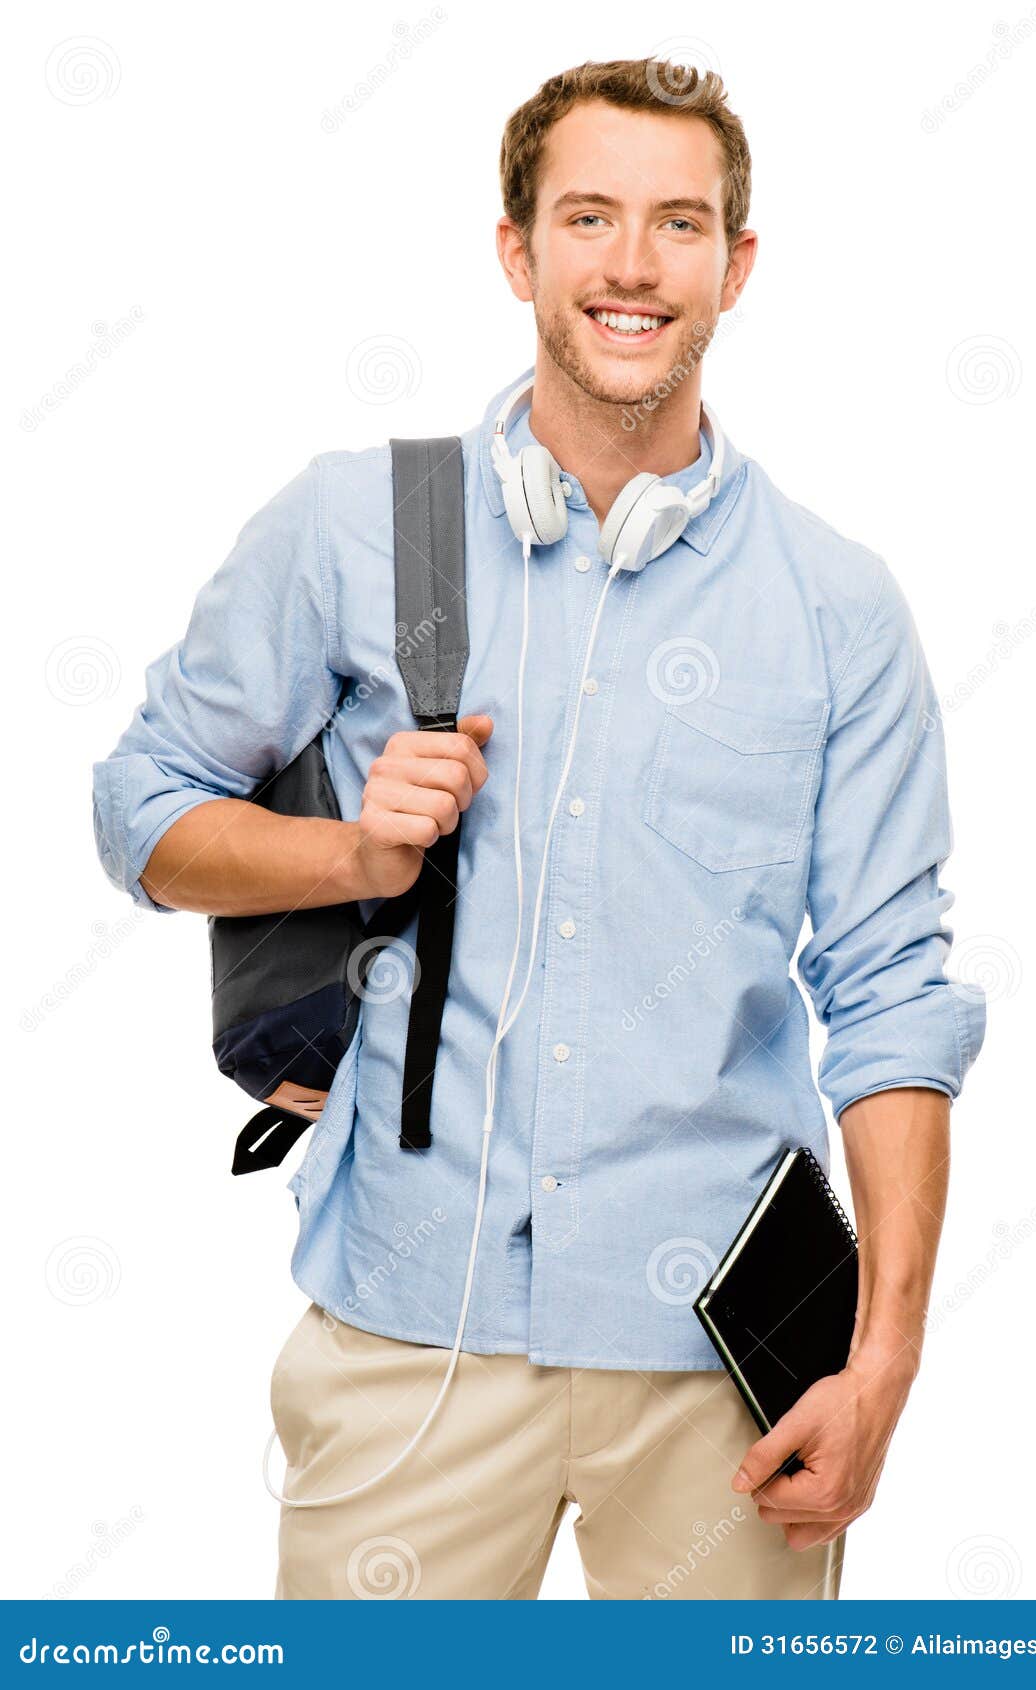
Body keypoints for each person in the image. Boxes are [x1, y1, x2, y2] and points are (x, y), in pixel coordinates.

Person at [91, 58, 986, 1601]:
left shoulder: (836, 608)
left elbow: (894, 989)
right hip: (409, 1332)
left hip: (723, 1355)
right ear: (518, 251)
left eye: (679, 224)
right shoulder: (362, 527)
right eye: (589, 218)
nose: (633, 264)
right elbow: (140, 804)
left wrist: (886, 1355)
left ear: (736, 264)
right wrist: (348, 859)